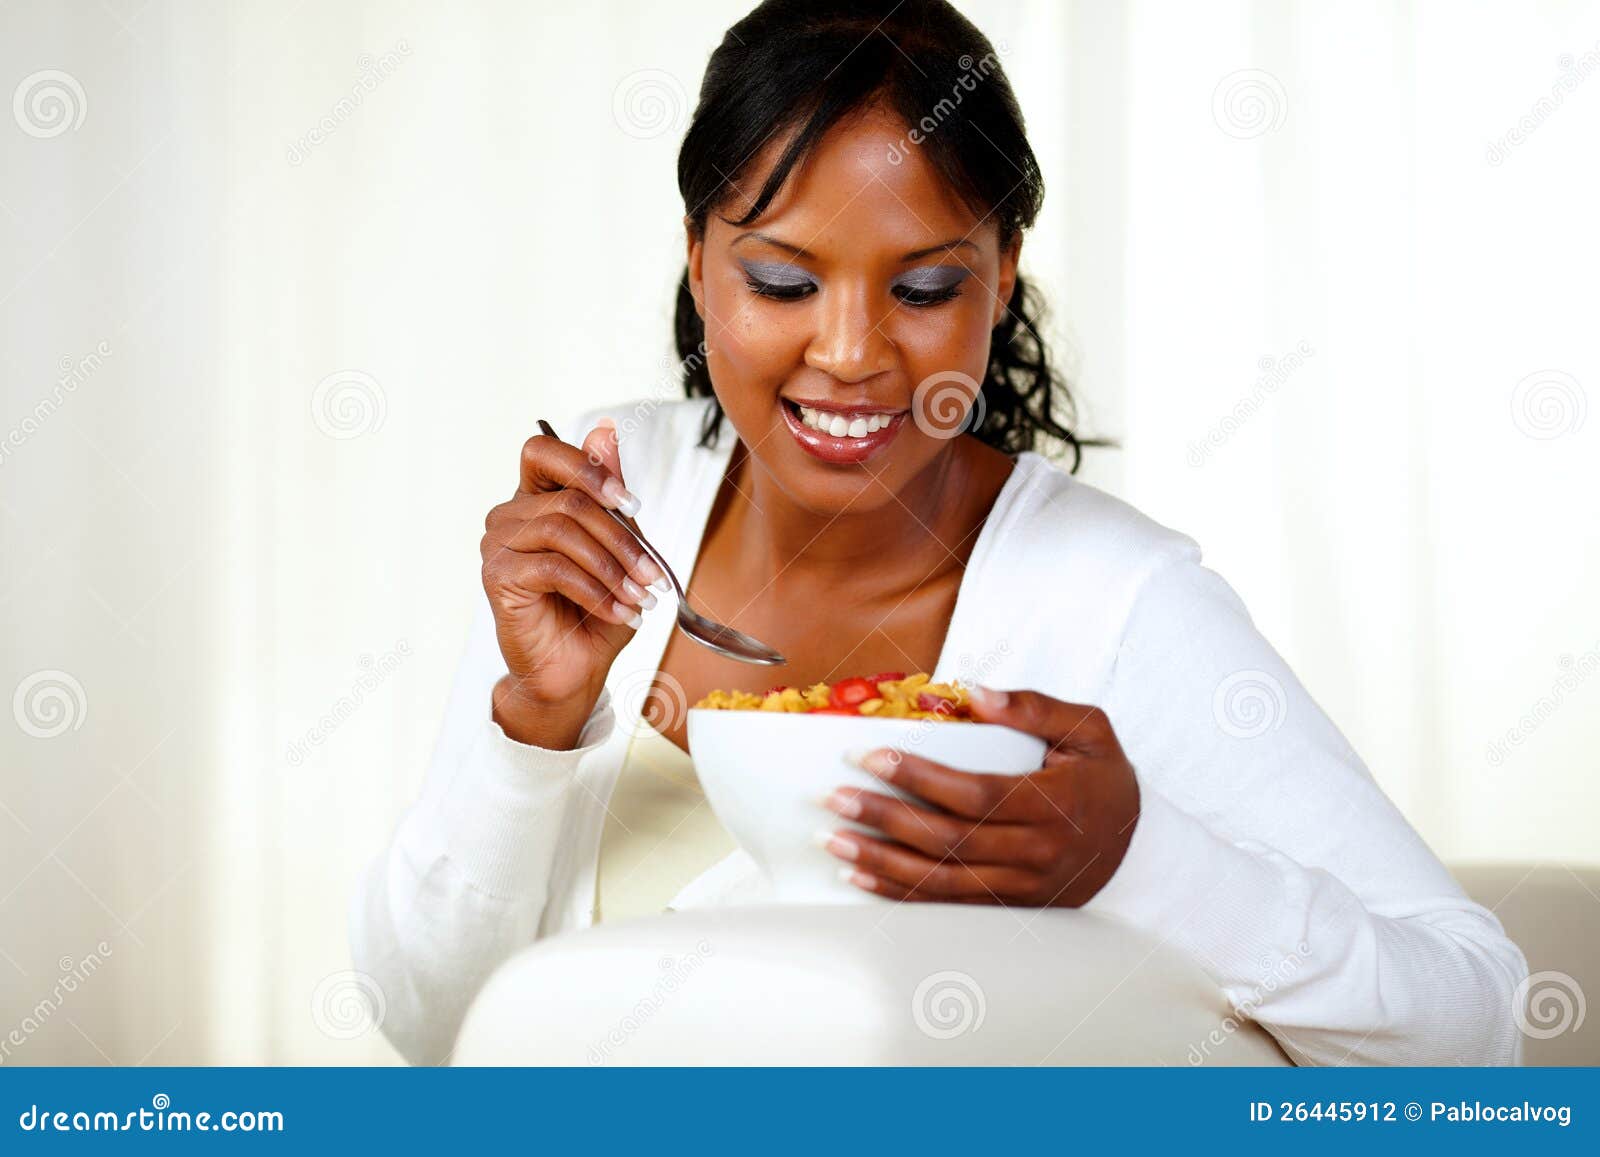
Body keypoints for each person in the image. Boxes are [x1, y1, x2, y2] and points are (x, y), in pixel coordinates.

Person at [351, 0, 1527, 1067]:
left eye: (922, 290)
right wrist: (535, 720)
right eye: (782, 281)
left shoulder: (1113, 600)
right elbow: (436, 1027)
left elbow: (1476, 1026)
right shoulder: (618, 497)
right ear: (699, 263)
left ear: (1002, 277)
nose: (850, 352)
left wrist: (1140, 858)